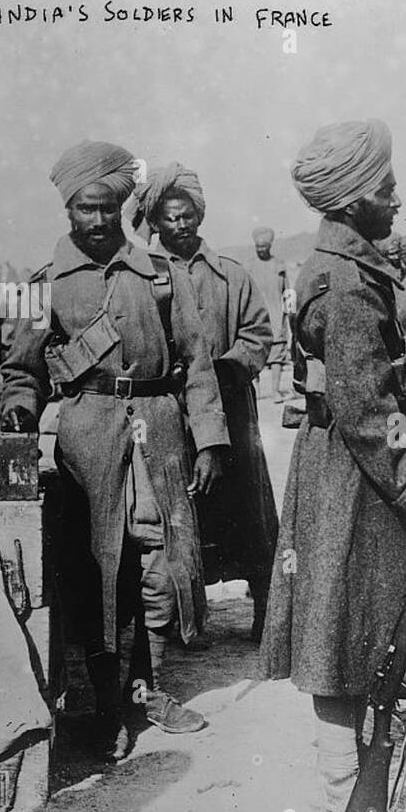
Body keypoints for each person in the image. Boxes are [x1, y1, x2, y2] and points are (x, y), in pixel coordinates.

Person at [260, 119, 406, 812]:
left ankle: (352, 777)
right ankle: (342, 786)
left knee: (354, 621)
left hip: (351, 473)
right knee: (337, 624)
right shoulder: (349, 281)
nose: (396, 199)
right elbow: (363, 411)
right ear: (354, 201)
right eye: (385, 189)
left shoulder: (347, 267)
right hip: (355, 479)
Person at [0, 139, 229, 759]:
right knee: (99, 568)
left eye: (107, 207)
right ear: (68, 210)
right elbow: (20, 369)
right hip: (87, 434)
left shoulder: (161, 274)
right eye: (84, 209)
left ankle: (148, 689)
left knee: (161, 559)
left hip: (159, 429)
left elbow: (199, 366)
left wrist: (208, 440)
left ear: (123, 205)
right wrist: (20, 404)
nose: (97, 221)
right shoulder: (43, 284)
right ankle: (102, 701)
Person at [133, 162, 280, 643]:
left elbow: (259, 334)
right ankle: (183, 618)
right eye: (171, 218)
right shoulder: (143, 277)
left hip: (233, 414)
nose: (181, 225)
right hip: (172, 414)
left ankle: (264, 608)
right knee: (180, 514)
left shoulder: (231, 276)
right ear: (154, 222)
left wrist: (226, 369)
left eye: (188, 216)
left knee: (250, 513)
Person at [246, 226, 291, 401]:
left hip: (276, 315)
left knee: (277, 354)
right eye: (258, 246)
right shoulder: (248, 266)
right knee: (253, 352)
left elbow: (288, 291)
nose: (261, 249)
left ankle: (275, 390)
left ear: (270, 245)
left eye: (264, 246)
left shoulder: (278, 265)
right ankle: (256, 390)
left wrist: (291, 314)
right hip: (255, 316)